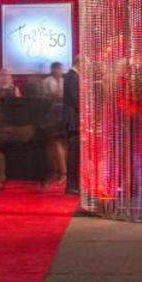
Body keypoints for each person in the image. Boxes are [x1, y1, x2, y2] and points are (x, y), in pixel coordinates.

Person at [42, 62, 68, 187]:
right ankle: (57, 171)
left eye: (61, 69)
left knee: (63, 143)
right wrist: (54, 95)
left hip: (64, 114)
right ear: (52, 70)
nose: (59, 71)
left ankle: (64, 172)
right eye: (57, 69)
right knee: (53, 143)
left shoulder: (65, 81)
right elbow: (43, 98)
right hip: (51, 114)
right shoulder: (46, 81)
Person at [63, 57, 81, 195]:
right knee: (73, 154)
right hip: (73, 121)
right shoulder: (71, 77)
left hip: (74, 120)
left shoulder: (73, 76)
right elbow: (76, 100)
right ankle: (71, 185)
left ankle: (74, 185)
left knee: (75, 154)